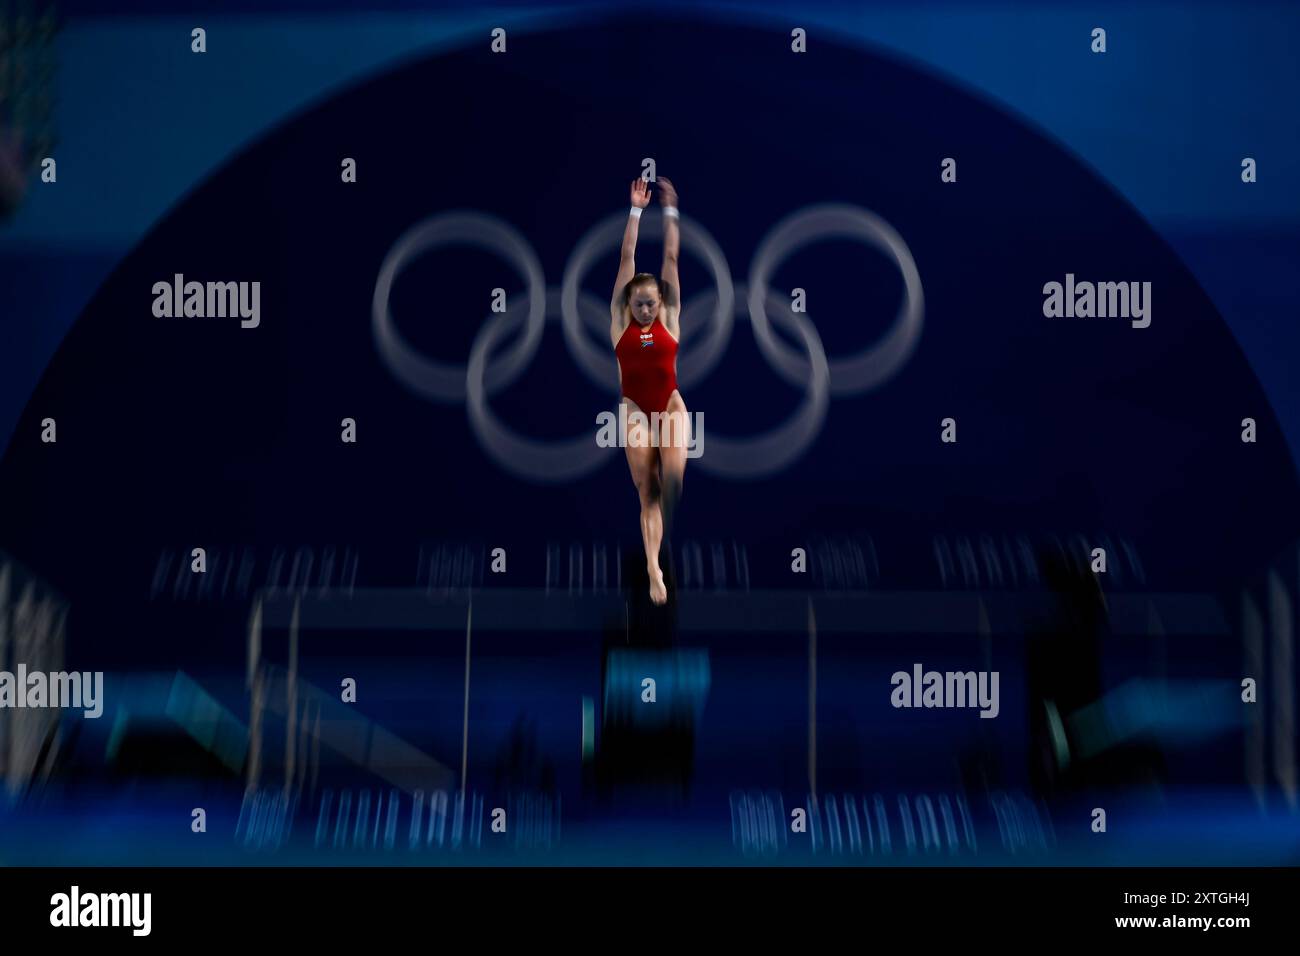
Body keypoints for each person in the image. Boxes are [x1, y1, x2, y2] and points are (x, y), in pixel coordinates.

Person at [611, 176, 689, 605]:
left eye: (650, 303)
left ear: (660, 303)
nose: (644, 309)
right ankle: (654, 568)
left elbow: (672, 257)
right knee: (647, 491)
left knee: (670, 480)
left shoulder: (670, 318)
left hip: (671, 405)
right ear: (629, 303)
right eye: (638, 302)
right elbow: (627, 255)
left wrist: (671, 210)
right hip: (636, 411)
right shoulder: (620, 322)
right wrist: (636, 210)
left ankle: (673, 488)